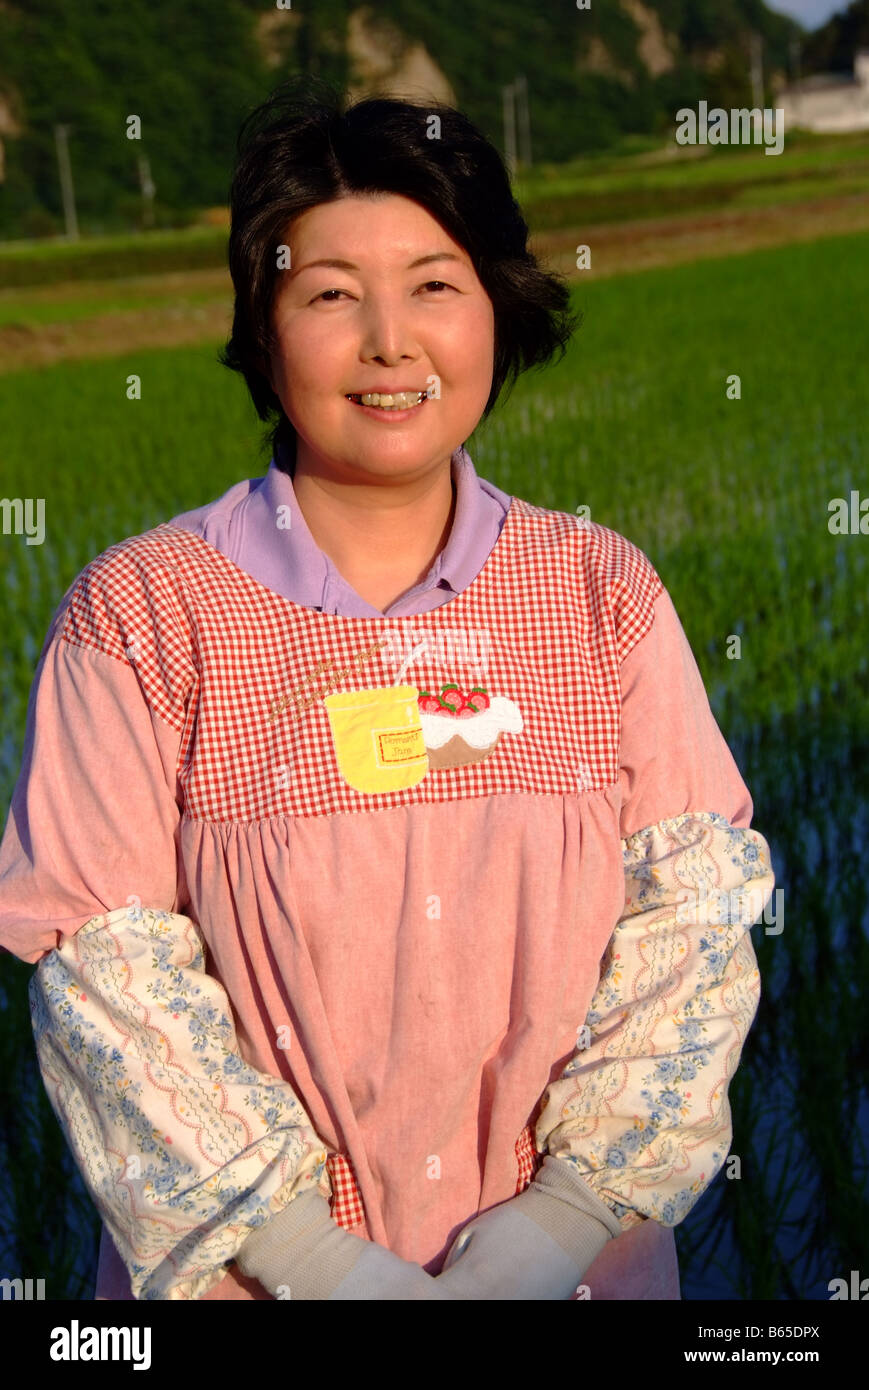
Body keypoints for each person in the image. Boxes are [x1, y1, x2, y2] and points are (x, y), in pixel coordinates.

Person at [0, 79, 775, 1301]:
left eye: (432, 284)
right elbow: (106, 973)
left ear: (494, 309)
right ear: (263, 328)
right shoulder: (144, 613)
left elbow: (689, 922)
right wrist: (320, 1264)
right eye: (327, 295)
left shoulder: (597, 592)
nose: (388, 341)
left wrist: (564, 1218)